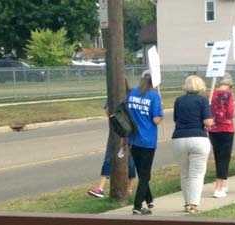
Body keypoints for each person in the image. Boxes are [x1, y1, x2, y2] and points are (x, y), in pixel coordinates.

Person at [171, 75, 214, 214]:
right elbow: (207, 122)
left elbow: (176, 119)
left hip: (179, 138)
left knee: (184, 173)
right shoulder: (203, 100)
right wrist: (211, 121)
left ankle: (187, 202)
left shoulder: (178, 100)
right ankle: (193, 204)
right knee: (196, 174)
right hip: (198, 138)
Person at [125, 72, 163, 216]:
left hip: (133, 138)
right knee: (145, 175)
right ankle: (137, 206)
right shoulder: (154, 96)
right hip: (147, 140)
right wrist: (161, 113)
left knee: (142, 172)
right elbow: (156, 120)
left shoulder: (132, 93)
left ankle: (149, 199)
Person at [88, 96, 135, 198]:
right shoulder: (132, 95)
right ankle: (128, 188)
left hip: (121, 131)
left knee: (115, 158)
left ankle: (102, 188)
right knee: (128, 159)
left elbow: (108, 111)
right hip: (125, 132)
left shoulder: (119, 95)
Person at [209, 74, 235, 198]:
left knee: (218, 156)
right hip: (226, 129)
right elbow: (229, 114)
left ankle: (223, 183)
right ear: (230, 85)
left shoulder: (212, 93)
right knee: (225, 158)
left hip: (213, 129)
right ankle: (218, 187)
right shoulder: (228, 94)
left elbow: (214, 109)